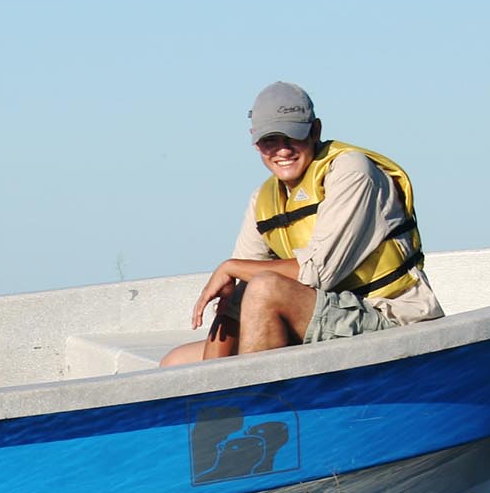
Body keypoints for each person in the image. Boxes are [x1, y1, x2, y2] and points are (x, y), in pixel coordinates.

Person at [162, 82, 442, 367]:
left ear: (315, 130)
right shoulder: (263, 198)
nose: (282, 150)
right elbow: (235, 291)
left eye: (292, 137)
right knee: (176, 362)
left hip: (389, 317)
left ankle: (261, 406)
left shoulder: (351, 171)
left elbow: (317, 274)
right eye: (270, 140)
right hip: (326, 318)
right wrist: (210, 376)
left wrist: (229, 267)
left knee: (263, 288)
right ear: (255, 142)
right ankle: (221, 402)